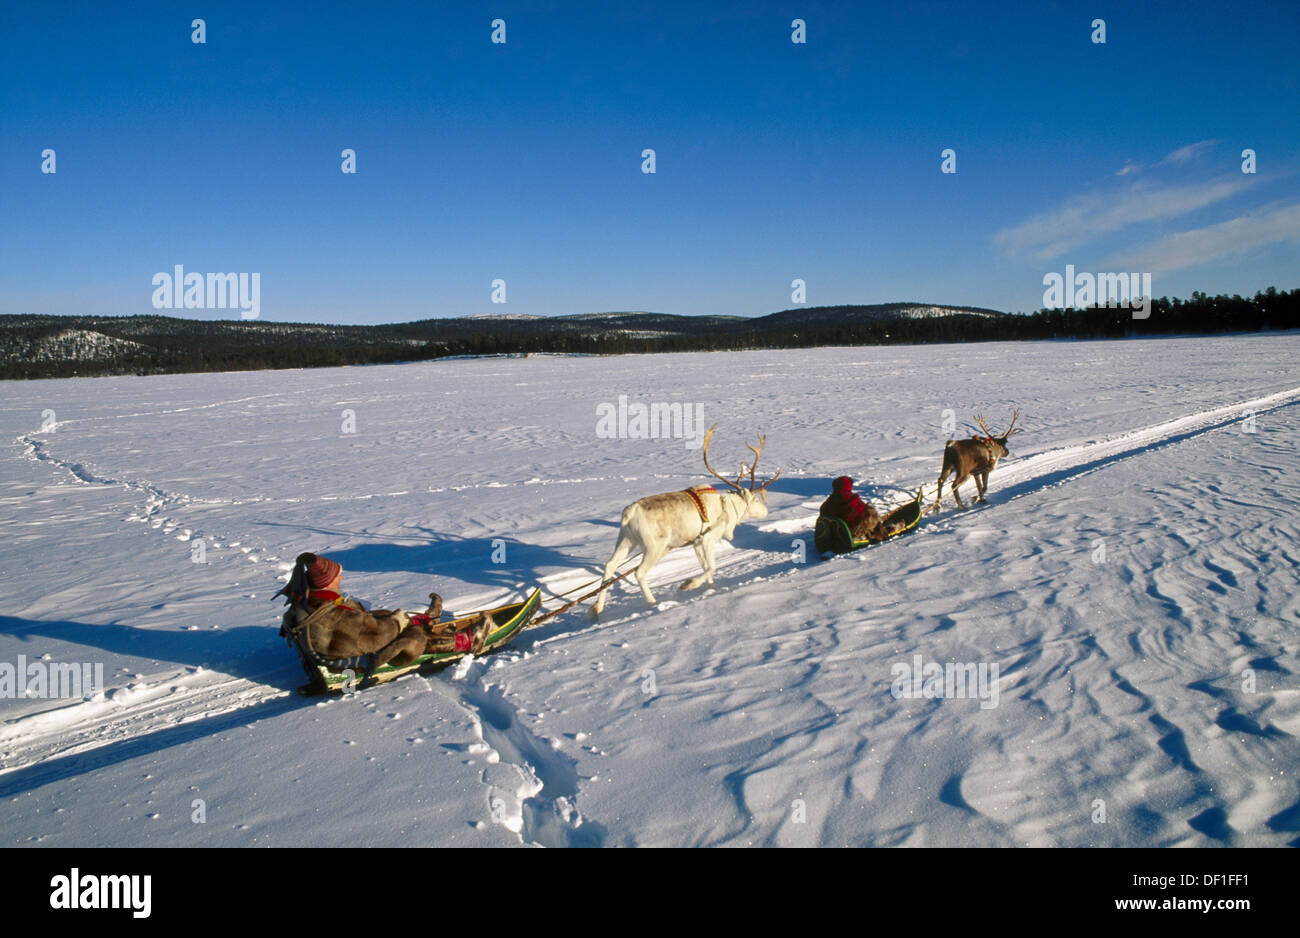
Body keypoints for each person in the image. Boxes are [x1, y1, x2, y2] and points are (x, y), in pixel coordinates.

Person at [278, 553, 490, 675]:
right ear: (327, 582)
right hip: (348, 664)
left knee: (384, 615)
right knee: (411, 639)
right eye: (337, 577)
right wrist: (397, 623)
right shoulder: (334, 615)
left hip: (334, 648)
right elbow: (376, 635)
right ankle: (469, 640)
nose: (340, 580)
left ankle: (424, 620)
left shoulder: (313, 601)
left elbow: (360, 623)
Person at [818, 476, 902, 542]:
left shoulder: (829, 501)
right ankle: (883, 531)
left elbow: (823, 513)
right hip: (852, 531)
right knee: (870, 511)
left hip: (835, 531)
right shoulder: (852, 500)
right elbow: (864, 514)